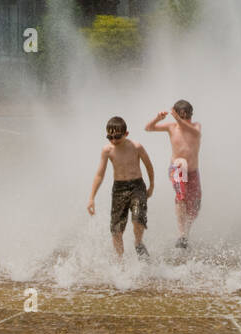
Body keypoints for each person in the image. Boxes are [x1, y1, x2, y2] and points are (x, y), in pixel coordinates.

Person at [87, 116, 154, 258]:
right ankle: (120, 260)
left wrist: (151, 186)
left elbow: (149, 166)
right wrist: (91, 198)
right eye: (109, 136)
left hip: (137, 186)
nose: (113, 140)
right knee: (116, 229)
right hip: (119, 188)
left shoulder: (136, 146)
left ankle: (138, 243)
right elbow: (99, 175)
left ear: (126, 134)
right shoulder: (107, 150)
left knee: (138, 218)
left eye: (117, 136)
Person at [145, 99, 202, 248]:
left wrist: (178, 119)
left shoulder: (196, 127)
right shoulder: (172, 127)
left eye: (187, 115)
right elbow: (148, 128)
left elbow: (192, 131)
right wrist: (158, 118)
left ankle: (185, 236)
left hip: (193, 172)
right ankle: (181, 233)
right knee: (181, 195)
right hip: (177, 167)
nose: (185, 119)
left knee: (194, 207)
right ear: (176, 115)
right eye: (181, 116)